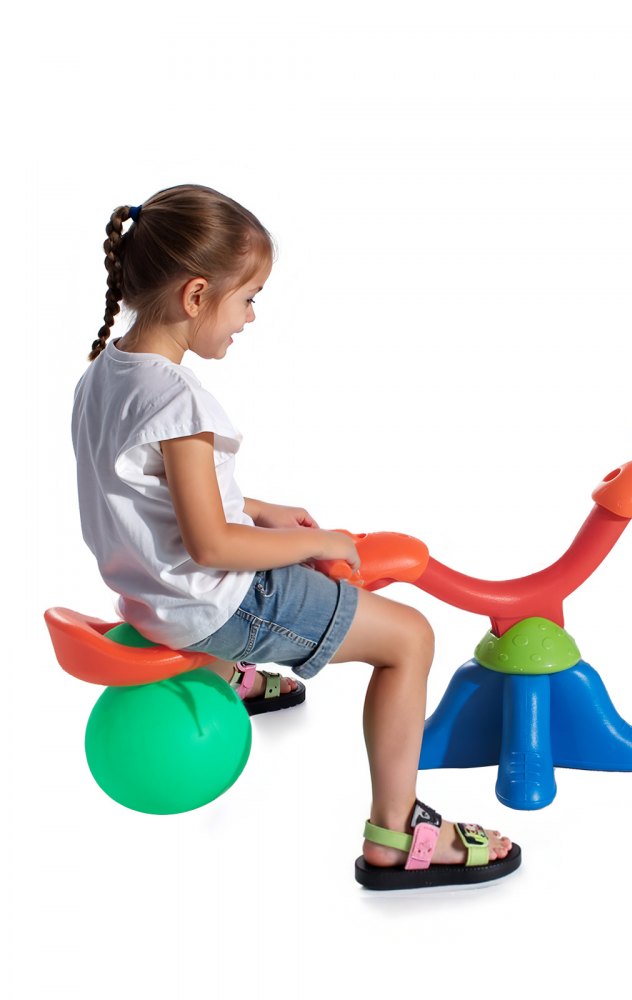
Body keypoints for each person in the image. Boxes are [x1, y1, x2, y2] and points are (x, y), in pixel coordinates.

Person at [72, 184, 520, 889]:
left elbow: (141, 492)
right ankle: (397, 833)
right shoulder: (178, 401)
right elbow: (214, 547)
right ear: (196, 296)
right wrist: (319, 544)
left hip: (149, 598)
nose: (250, 318)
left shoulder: (103, 374)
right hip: (216, 605)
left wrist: (259, 507)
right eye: (248, 299)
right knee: (409, 639)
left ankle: (230, 671)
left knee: (324, 593)